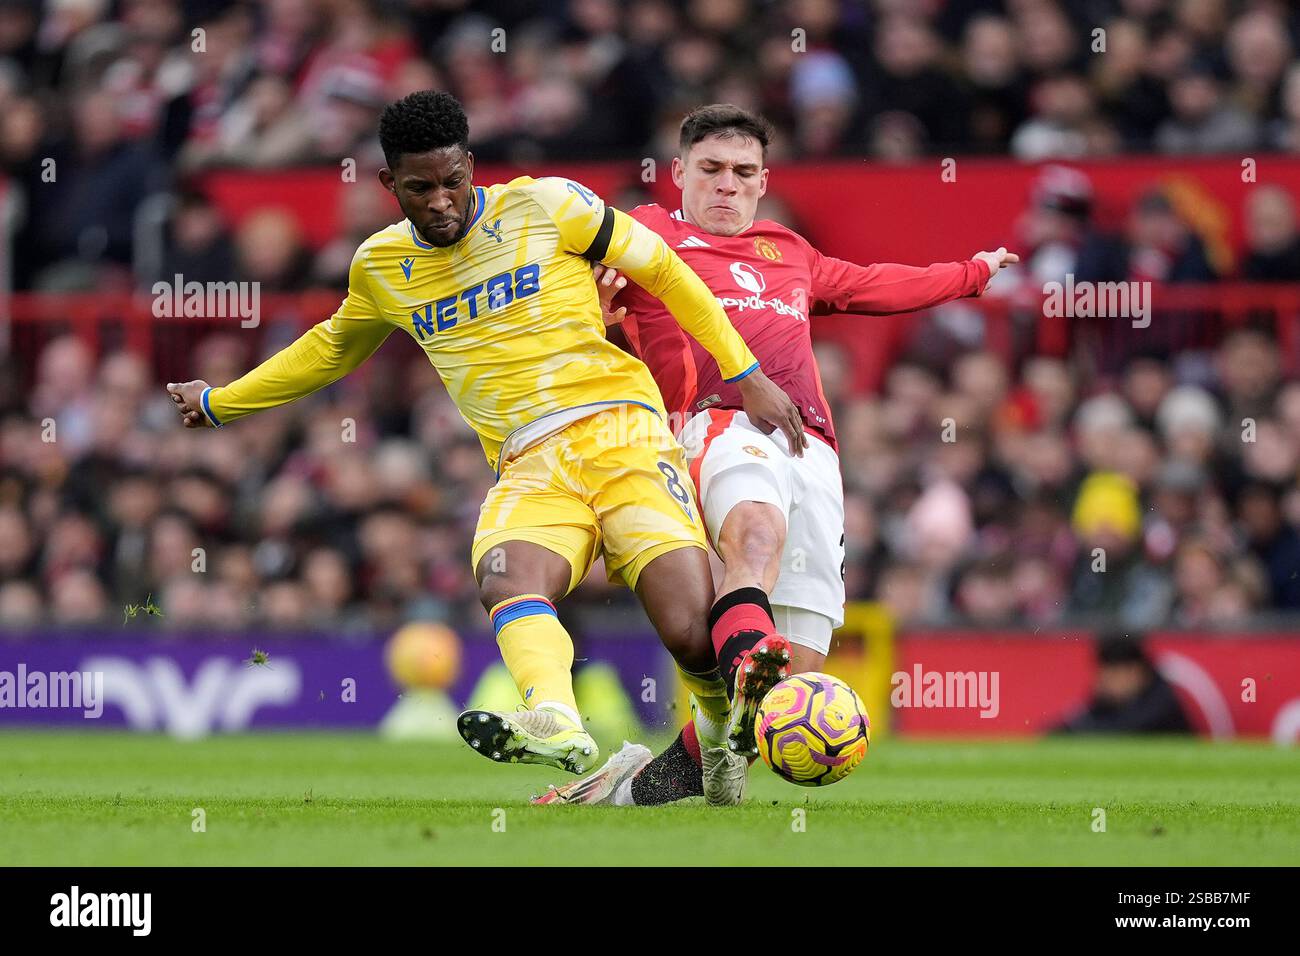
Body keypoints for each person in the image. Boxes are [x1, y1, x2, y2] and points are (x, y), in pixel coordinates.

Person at [165, 90, 805, 805]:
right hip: (530, 463)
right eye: (419, 188)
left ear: (471, 166)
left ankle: (718, 748)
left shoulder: (549, 205)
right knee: (505, 577)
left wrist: (745, 374)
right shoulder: (381, 268)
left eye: (451, 181)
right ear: (389, 185)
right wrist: (222, 403)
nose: (440, 201)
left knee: (690, 632)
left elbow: (664, 270)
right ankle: (557, 721)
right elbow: (328, 351)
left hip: (621, 431)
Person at [536, 103, 1017, 806]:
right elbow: (551, 289)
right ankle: (743, 670)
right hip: (714, 426)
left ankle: (632, 787)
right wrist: (593, 303)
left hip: (813, 449)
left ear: (763, 182)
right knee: (752, 539)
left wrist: (972, 271)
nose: (726, 185)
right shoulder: (645, 235)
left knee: (793, 684)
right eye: (710, 170)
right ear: (679, 174)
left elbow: (871, 285)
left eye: (742, 172)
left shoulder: (788, 249)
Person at [1054, 632, 1191, 734]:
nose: (1104, 682)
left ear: (1134, 672)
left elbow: (1125, 730)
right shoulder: (1109, 700)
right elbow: (1080, 722)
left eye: (1112, 675)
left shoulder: (1162, 701)